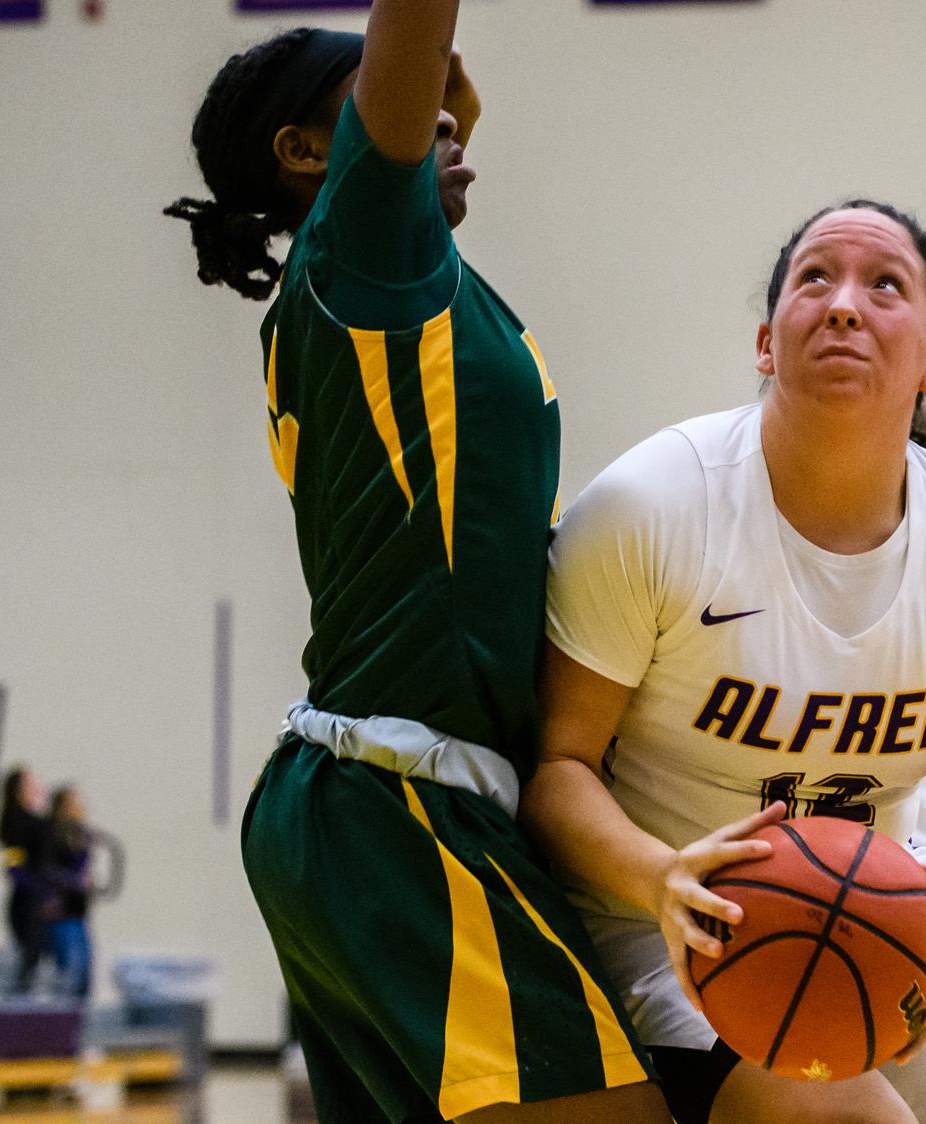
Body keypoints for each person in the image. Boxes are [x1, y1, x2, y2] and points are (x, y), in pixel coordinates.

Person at [526, 199, 926, 1124]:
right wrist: (663, 883)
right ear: (765, 341)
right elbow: (557, 773)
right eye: (814, 279)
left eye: (884, 286)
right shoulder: (653, 504)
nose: (842, 305)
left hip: (875, 925)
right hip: (653, 925)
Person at [165, 4, 661, 1120]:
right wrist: (417, 66)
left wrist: (443, 95)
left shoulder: (392, 290)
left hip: (381, 804)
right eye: (399, 95)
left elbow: (438, 82)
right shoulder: (363, 256)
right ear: (306, 153)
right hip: (398, 807)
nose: (442, 115)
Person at [0, 766, 53, 994]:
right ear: (19, 790)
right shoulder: (16, 821)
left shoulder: (35, 818)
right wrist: (39, 890)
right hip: (27, 898)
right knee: (29, 954)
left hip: (36, 894)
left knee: (35, 955)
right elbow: (12, 866)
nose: (37, 787)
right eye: (30, 784)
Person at [39, 785, 93, 1000]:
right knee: (70, 972)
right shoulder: (53, 835)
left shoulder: (79, 835)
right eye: (75, 802)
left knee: (83, 974)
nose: (81, 806)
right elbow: (47, 870)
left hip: (77, 911)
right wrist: (74, 881)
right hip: (60, 912)